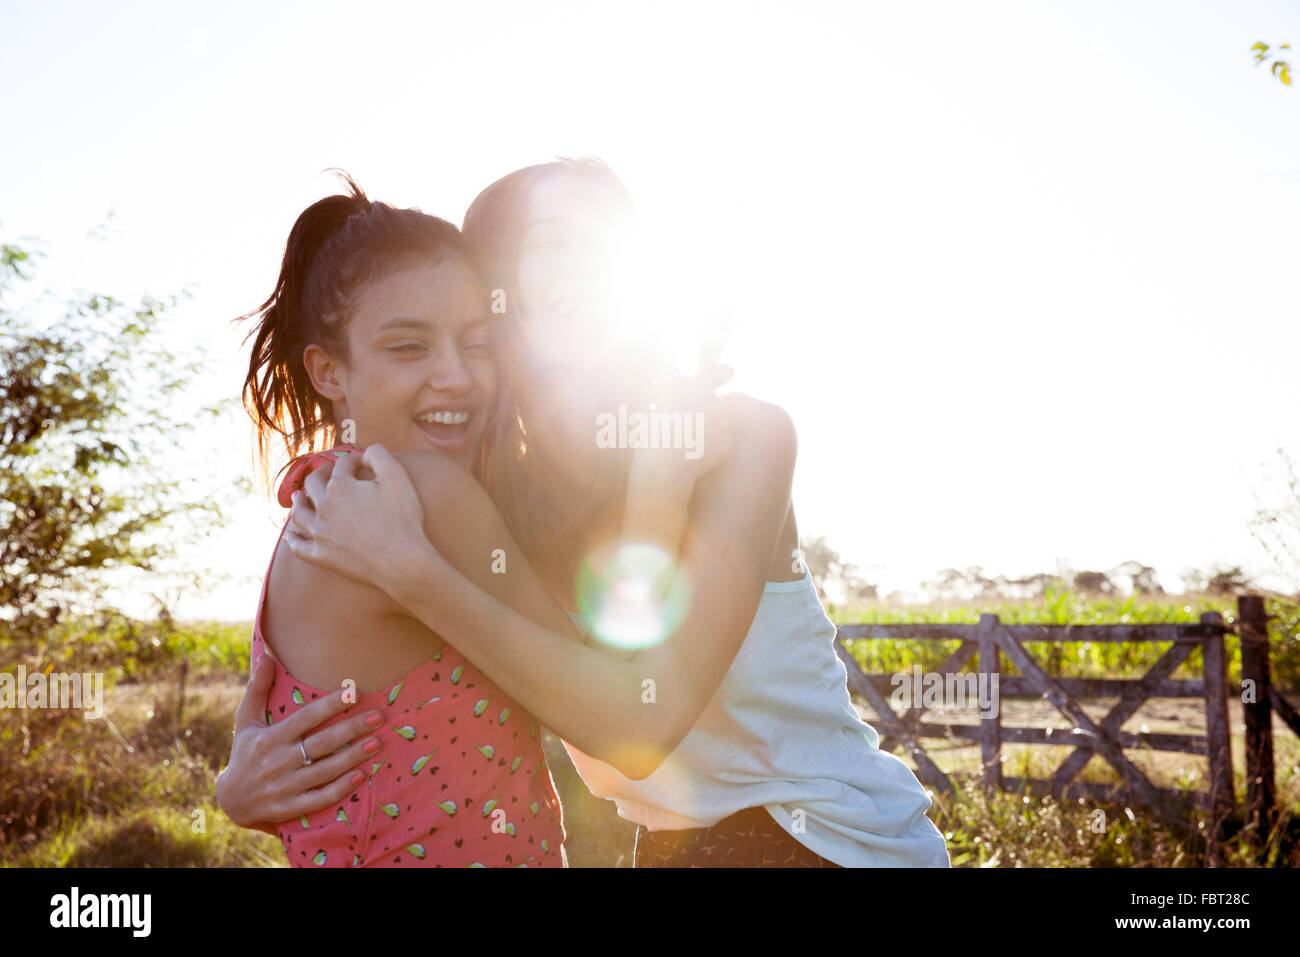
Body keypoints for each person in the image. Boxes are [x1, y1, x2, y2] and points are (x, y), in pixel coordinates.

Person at [223, 159, 951, 868]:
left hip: (829, 839)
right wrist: (240, 785)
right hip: (670, 846)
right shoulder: (490, 499)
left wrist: (418, 576)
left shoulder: (743, 439)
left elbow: (640, 720)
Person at [223, 173, 569, 866]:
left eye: (477, 343)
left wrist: (233, 791)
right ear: (328, 371)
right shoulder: (427, 493)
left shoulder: (316, 503)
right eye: (409, 347)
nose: (458, 377)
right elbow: (599, 689)